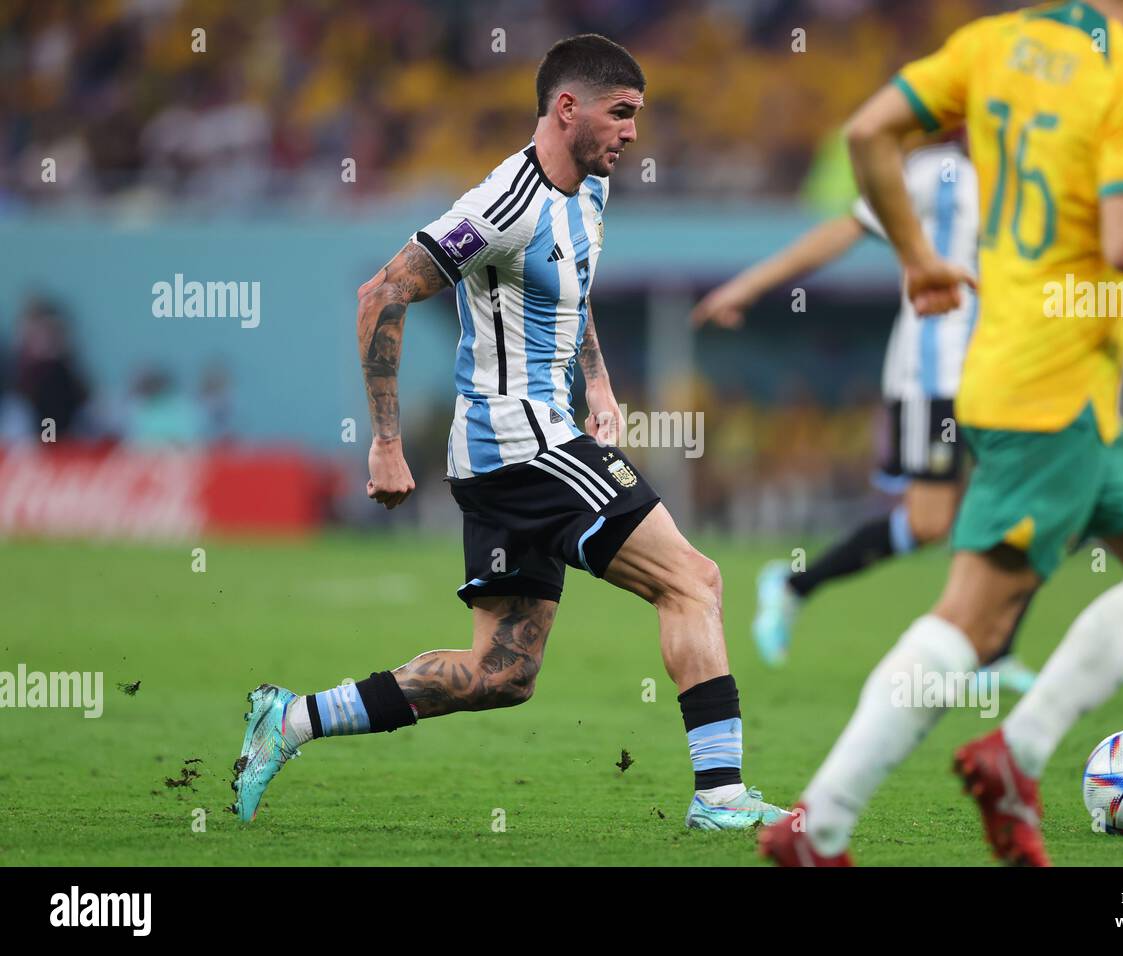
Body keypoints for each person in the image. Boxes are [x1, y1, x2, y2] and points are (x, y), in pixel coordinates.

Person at [759, 0, 1123, 866]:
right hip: (1050, 397)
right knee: (971, 623)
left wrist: (918, 257)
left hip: (1052, 388)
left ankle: (1015, 756)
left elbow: (868, 133)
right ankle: (816, 827)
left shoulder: (988, 46)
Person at [231, 34, 788, 831]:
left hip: (514, 452)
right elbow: (380, 295)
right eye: (621, 114)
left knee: (500, 673)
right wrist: (385, 441)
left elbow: (573, 285)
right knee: (694, 582)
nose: (633, 133)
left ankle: (290, 719)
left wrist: (596, 380)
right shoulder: (502, 205)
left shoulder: (590, 189)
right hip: (522, 446)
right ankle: (722, 795)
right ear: (568, 108)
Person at [694, 133, 1123, 677]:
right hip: (933, 370)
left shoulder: (1038, 179)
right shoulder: (932, 172)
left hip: (1009, 372)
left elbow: (1085, 269)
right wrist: (747, 288)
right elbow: (841, 232)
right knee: (928, 523)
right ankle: (794, 584)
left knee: (1042, 500)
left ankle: (994, 649)